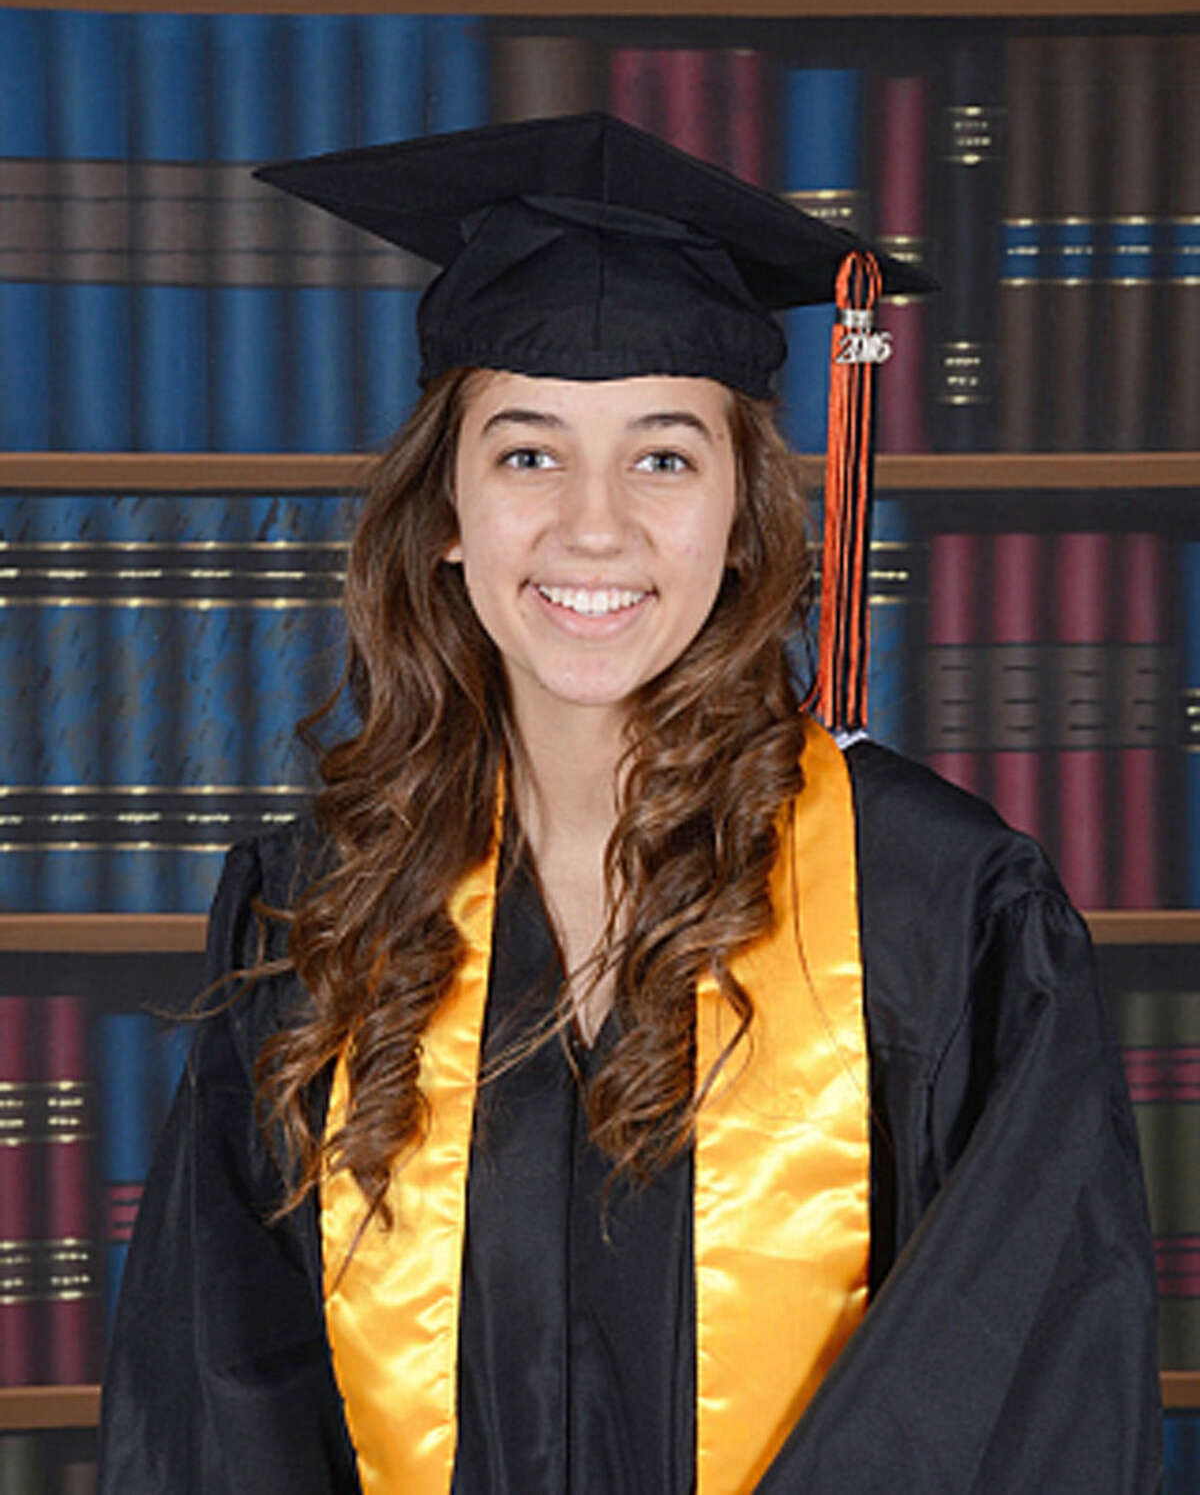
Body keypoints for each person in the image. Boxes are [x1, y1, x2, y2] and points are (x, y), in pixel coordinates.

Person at [98, 113, 1162, 1494]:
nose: (593, 527)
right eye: (527, 454)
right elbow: (218, 1416)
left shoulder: (937, 911)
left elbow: (1024, 1402)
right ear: (446, 511)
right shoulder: (315, 918)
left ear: (741, 515)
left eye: (663, 457)